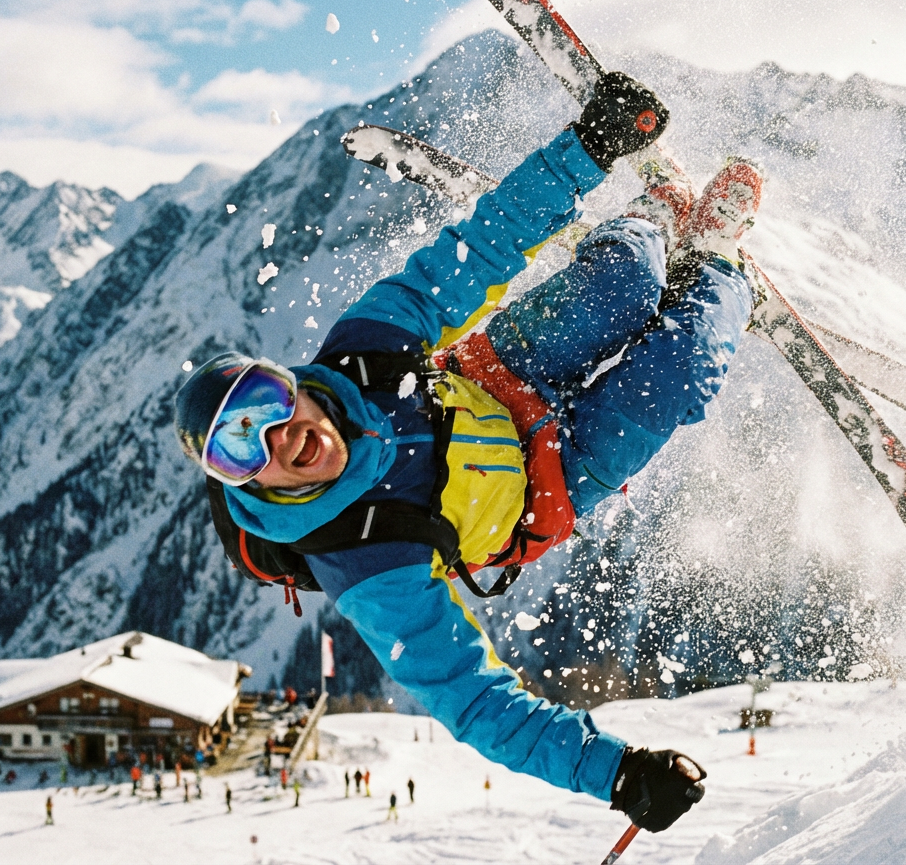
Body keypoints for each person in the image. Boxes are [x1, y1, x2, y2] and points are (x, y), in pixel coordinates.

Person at [173, 72, 752, 834]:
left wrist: (587, 148)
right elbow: (471, 702)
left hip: (490, 381)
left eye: (266, 403)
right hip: (543, 490)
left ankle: (654, 216)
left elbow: (478, 250)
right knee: (672, 376)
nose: (278, 438)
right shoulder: (362, 560)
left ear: (292, 382)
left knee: (624, 288)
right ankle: (716, 260)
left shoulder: (363, 352)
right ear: (243, 481)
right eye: (241, 450)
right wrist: (613, 771)